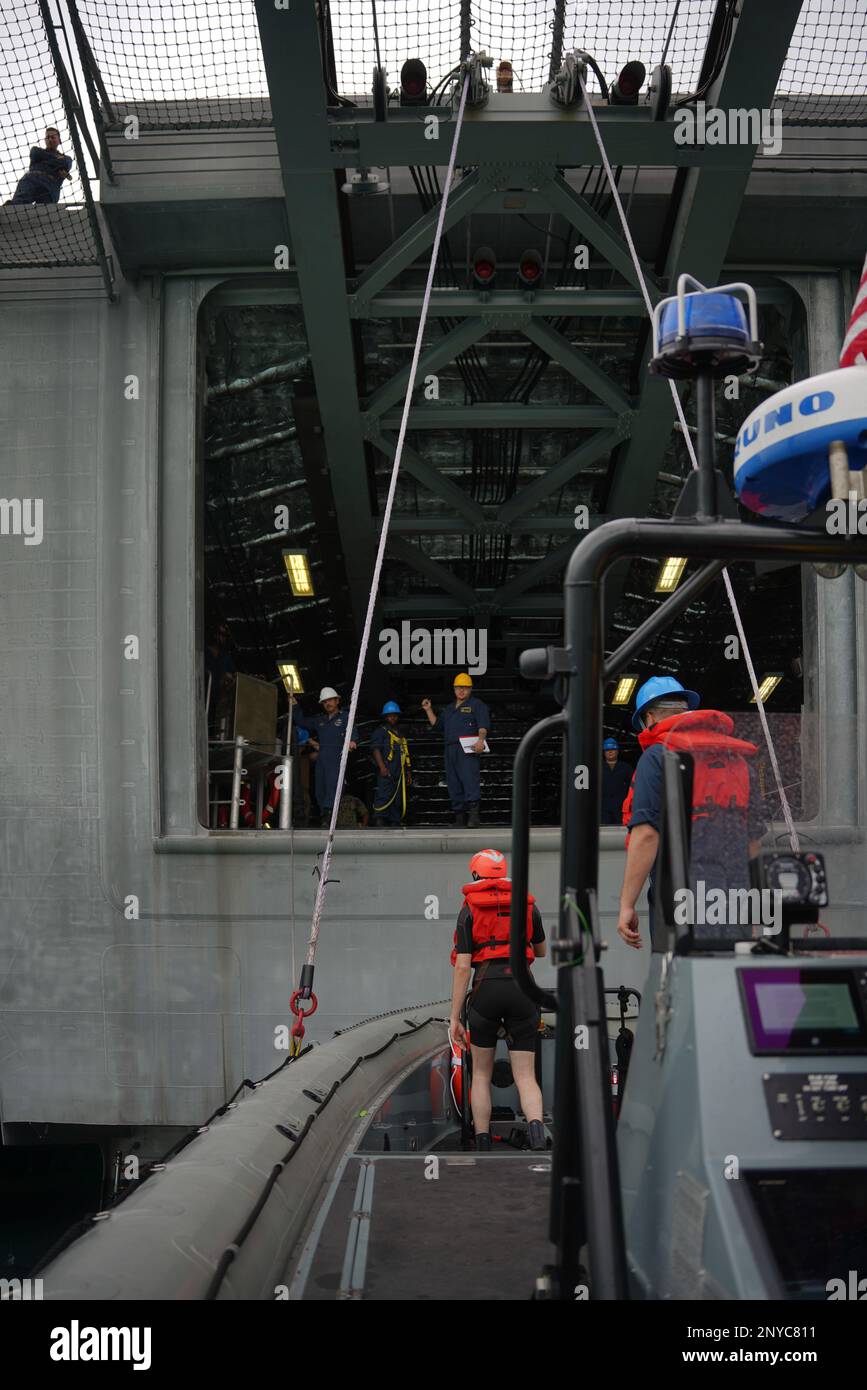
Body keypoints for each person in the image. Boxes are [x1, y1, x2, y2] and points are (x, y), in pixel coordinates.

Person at [617, 676, 766, 950]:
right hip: (735, 898)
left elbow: (647, 835)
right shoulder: (737, 760)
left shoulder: (657, 757)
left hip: (680, 898)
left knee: (678, 983)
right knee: (730, 981)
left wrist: (627, 904)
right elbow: (753, 843)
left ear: (649, 718)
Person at [450, 849, 547, 1152]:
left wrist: (455, 1017)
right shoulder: (527, 905)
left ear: (476, 875)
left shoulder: (468, 909)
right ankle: (537, 1136)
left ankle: (482, 1141)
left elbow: (463, 966)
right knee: (525, 1075)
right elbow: (542, 951)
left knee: (480, 1073)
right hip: (523, 989)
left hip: (486, 990)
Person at [422, 675, 490, 827]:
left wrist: (480, 741)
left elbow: (483, 726)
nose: (461, 690)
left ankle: (473, 818)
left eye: (465, 687)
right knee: (453, 782)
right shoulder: (449, 708)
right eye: (459, 687)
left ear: (470, 689)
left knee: (469, 779)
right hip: (450, 749)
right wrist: (428, 710)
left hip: (467, 749)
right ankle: (459, 819)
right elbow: (437, 725)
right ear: (454, 689)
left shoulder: (477, 705)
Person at [292, 687, 358, 824]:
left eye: (330, 700)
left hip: (336, 757)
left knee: (332, 786)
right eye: (325, 702)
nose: (328, 703)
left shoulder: (345, 717)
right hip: (322, 758)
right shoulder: (319, 720)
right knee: (319, 789)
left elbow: (353, 730)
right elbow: (302, 722)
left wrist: (352, 740)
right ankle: (324, 814)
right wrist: (295, 706)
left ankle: (328, 815)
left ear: (337, 700)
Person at [371, 701, 411, 827]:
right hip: (387, 771)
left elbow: (405, 754)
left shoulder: (400, 733)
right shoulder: (380, 731)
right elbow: (375, 749)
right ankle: (380, 823)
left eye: (394, 715)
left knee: (397, 799)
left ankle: (395, 823)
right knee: (384, 796)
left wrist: (408, 772)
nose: (392, 717)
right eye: (389, 715)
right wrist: (382, 767)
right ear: (385, 716)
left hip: (399, 773)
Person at [11, 128, 73, 205]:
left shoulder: (67, 159)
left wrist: (44, 159)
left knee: (45, 213)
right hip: (30, 180)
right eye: (47, 137)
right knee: (17, 206)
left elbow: (65, 163)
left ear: (59, 140)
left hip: (49, 187)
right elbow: (35, 153)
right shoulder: (36, 150)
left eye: (53, 137)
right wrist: (56, 163)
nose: (50, 139)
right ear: (45, 140)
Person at [601, 737, 632, 825]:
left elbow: (633, 787)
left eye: (612, 749)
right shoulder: (598, 768)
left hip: (621, 808)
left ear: (617, 751)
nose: (610, 752)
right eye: (607, 750)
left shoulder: (626, 768)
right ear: (604, 752)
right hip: (604, 808)